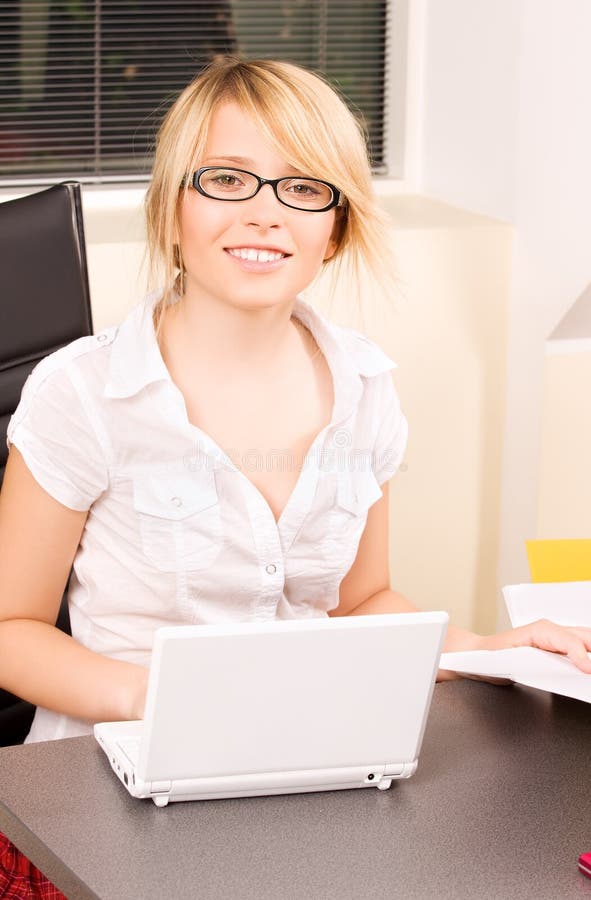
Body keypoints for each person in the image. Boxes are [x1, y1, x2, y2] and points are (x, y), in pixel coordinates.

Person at [1, 57, 590, 896]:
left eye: (302, 188)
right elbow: (11, 626)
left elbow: (361, 603)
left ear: (335, 227)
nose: (263, 214)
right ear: (171, 208)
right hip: (103, 788)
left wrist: (488, 650)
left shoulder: (366, 388)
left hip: (305, 770)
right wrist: (170, 698)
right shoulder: (84, 394)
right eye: (226, 179)